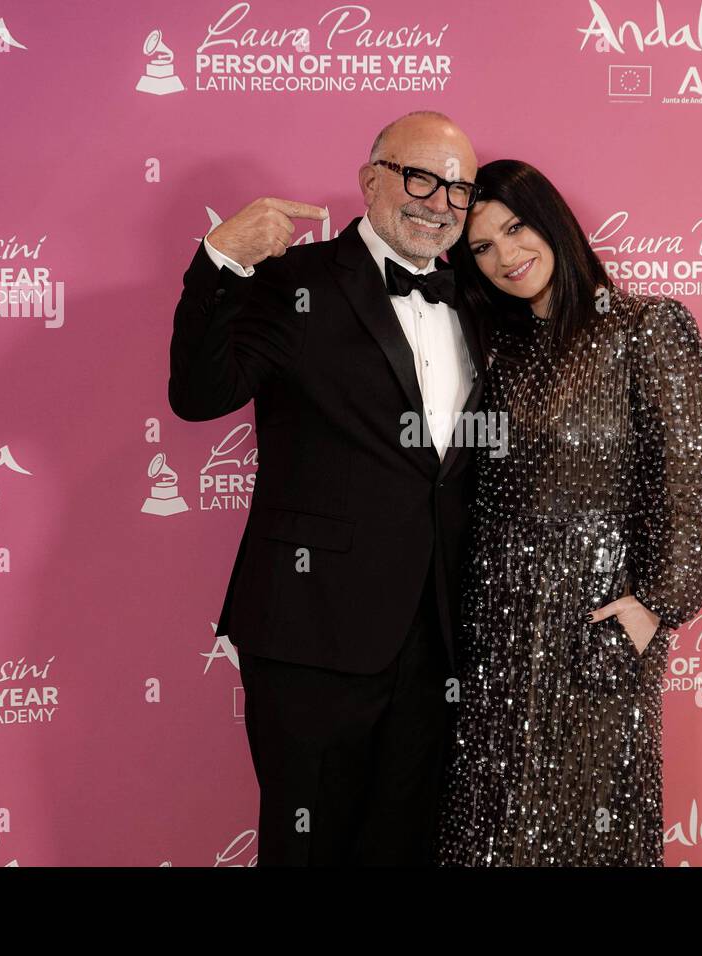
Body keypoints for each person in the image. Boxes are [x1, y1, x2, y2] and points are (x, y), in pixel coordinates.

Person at [167, 111, 487, 865]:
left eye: (459, 189)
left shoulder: (480, 299)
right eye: (421, 177)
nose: (439, 202)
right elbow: (199, 393)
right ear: (370, 179)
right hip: (311, 633)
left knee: (404, 847)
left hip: (437, 634)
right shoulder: (293, 281)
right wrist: (217, 260)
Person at [434, 159, 702, 866]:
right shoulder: (490, 347)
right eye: (481, 247)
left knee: (590, 822)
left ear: (552, 219)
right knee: (493, 822)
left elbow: (690, 479)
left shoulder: (645, 326)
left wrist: (655, 605)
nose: (506, 255)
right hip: (493, 620)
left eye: (515, 227)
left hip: (596, 618)